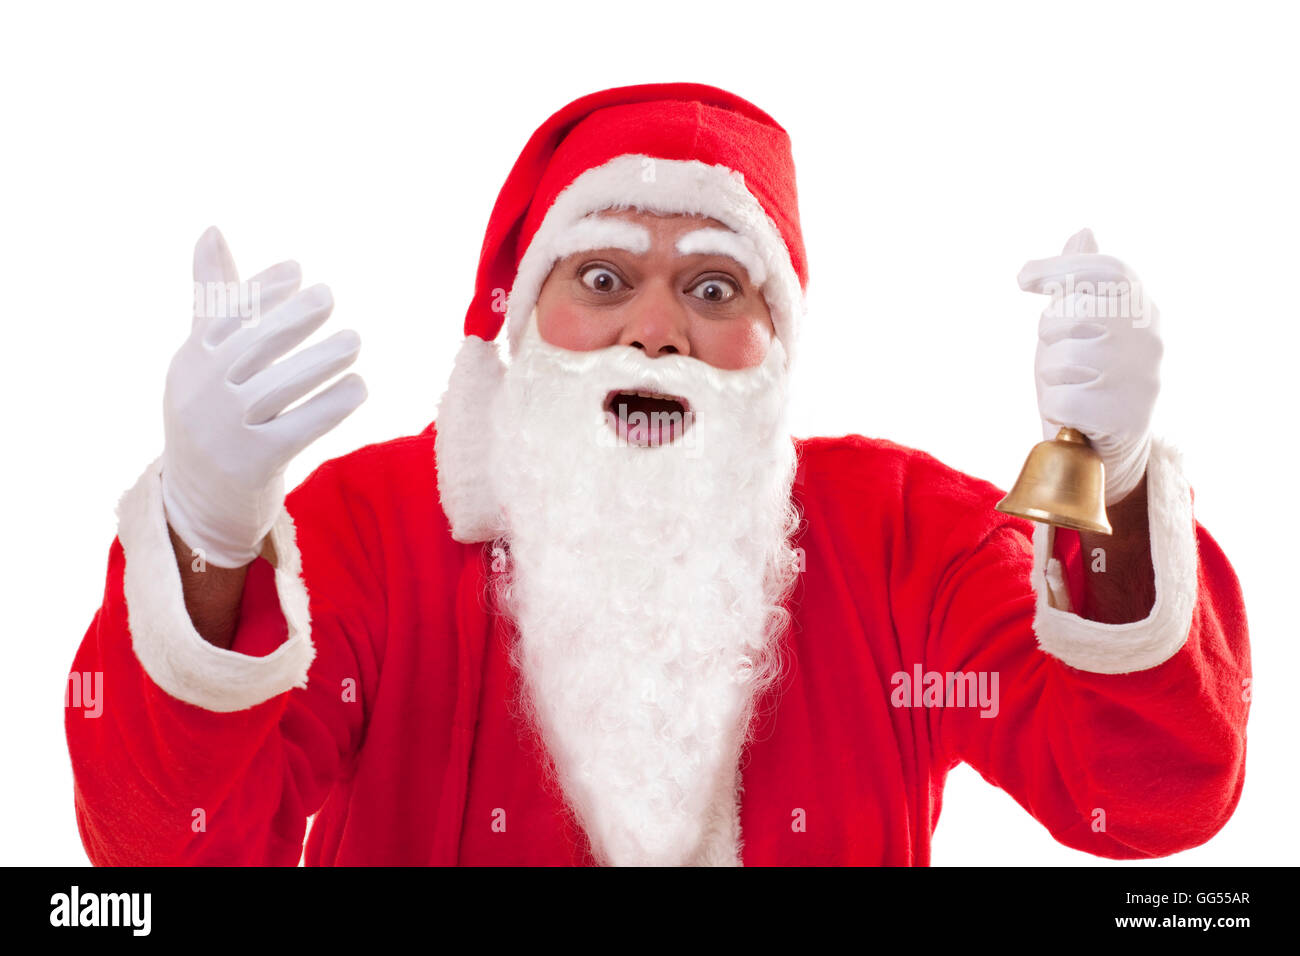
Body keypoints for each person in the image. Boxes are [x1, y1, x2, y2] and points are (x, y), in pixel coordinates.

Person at [65, 82, 1251, 866]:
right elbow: (177, 850)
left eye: (714, 287)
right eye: (600, 278)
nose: (655, 331)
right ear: (518, 324)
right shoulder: (375, 526)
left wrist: (1112, 471)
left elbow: (1150, 794)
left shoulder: (898, 531)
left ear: (772, 344)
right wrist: (212, 537)